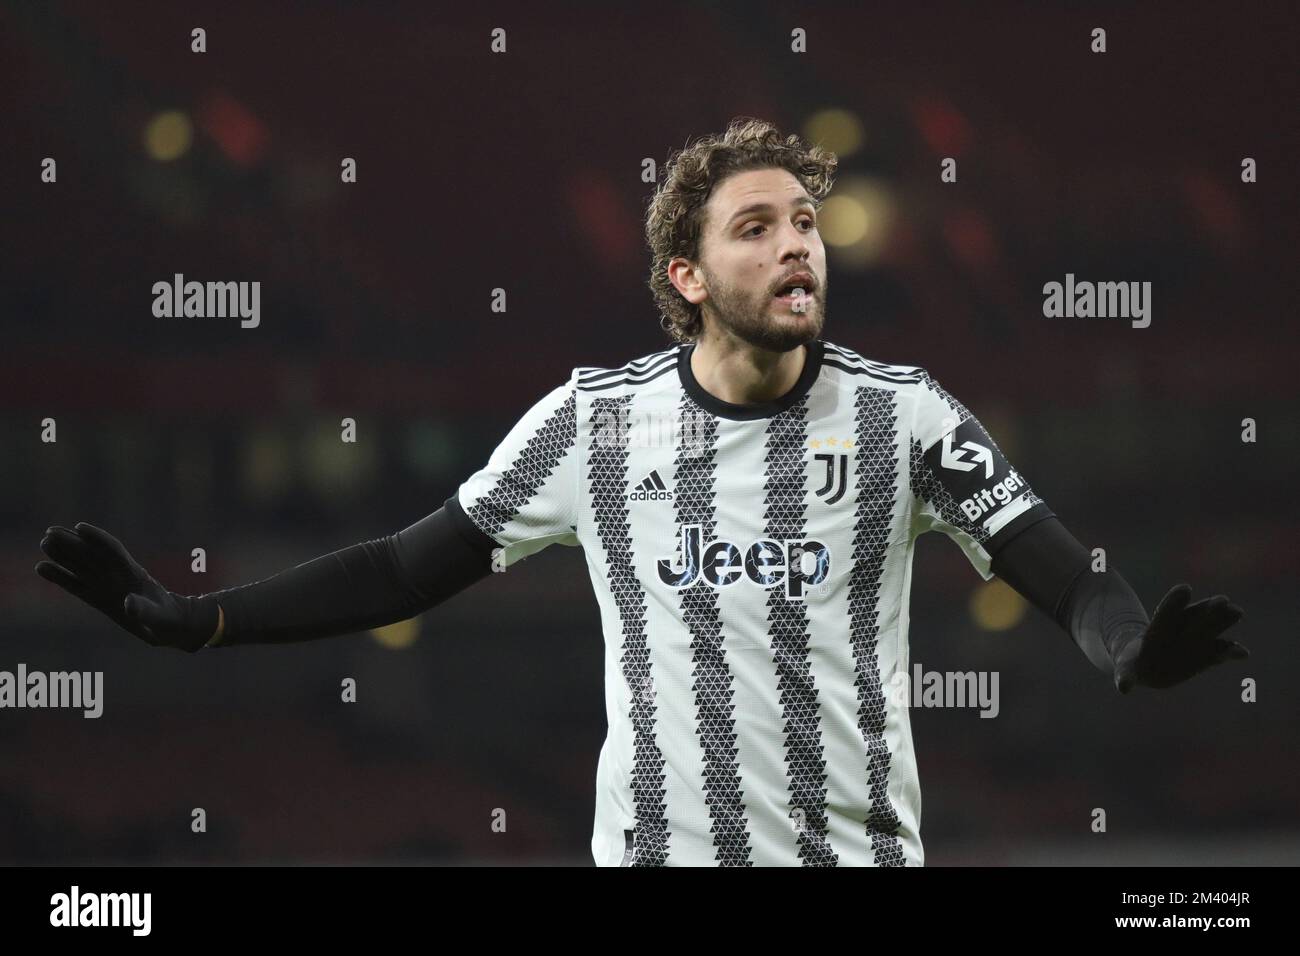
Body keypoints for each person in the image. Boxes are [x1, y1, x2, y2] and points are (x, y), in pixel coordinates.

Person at [36, 117, 1247, 866]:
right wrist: (206, 618)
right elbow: (410, 565)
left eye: (808, 224)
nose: (796, 247)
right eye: (757, 226)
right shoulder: (596, 424)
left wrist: (1127, 645)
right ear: (687, 272)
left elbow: (1051, 560)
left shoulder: (903, 414)